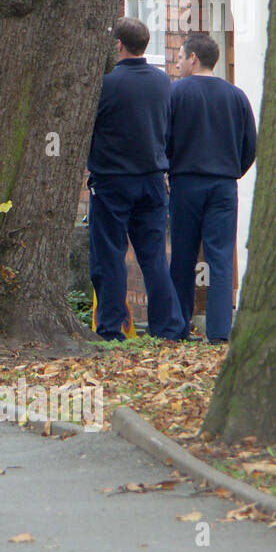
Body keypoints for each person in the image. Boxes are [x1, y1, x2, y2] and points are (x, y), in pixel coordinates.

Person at [86, 18, 185, 341]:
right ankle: (167, 326)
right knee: (154, 256)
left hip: (112, 180)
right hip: (153, 179)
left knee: (110, 256)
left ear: (117, 44)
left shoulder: (105, 83)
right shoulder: (162, 82)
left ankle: (112, 327)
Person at [167, 33, 258, 342]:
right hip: (223, 186)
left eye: (180, 57)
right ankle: (220, 332)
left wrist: (170, 168)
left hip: (185, 182)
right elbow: (250, 146)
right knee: (220, 258)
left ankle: (178, 326)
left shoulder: (176, 93)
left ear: (193, 58)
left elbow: (162, 139)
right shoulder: (236, 96)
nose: (177, 63)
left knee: (182, 256)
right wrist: (233, 171)